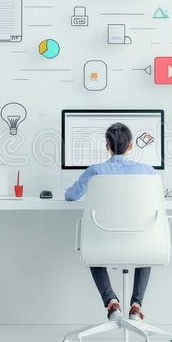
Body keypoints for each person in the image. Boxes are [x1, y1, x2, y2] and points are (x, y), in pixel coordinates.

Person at [65, 122, 155, 322]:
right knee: (146, 238)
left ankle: (111, 301)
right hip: (138, 243)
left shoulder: (96, 171)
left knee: (91, 243)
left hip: (103, 242)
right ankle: (136, 305)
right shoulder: (148, 172)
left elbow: (71, 196)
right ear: (131, 146)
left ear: (107, 146)